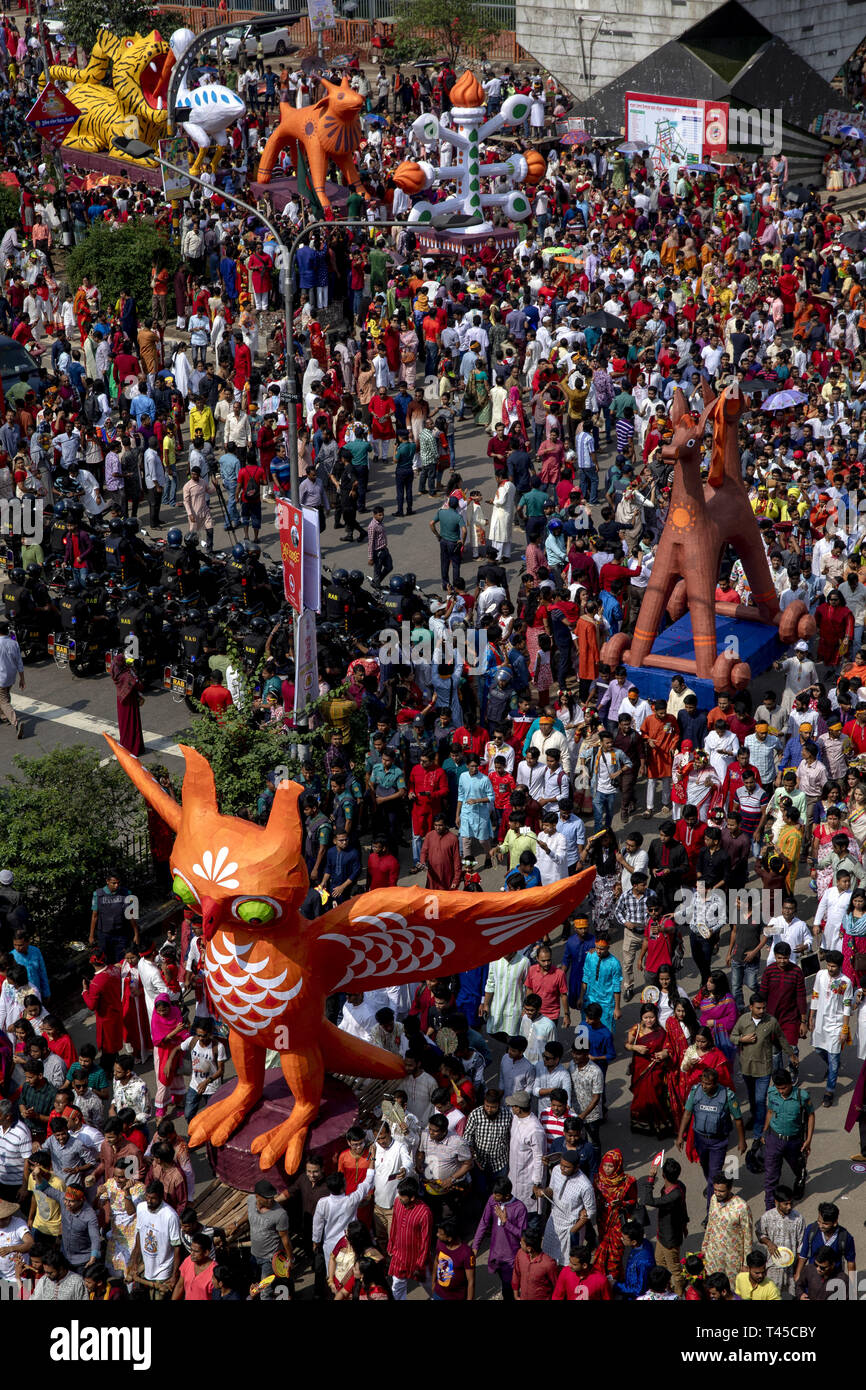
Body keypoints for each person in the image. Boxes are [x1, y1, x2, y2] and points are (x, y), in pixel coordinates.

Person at [472, 1176, 527, 1301]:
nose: (494, 1197)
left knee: (509, 1290)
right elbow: (484, 1223)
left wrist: (505, 1222)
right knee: (504, 1286)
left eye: (497, 1196)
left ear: (507, 1196)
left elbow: (522, 1235)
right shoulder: (492, 1200)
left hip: (511, 1259)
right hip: (496, 1255)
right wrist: (475, 1246)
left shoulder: (520, 1208)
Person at [703, 1176, 754, 1285]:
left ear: (730, 1188)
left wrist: (746, 1264)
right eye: (715, 1190)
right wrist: (704, 1246)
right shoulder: (713, 1199)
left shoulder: (742, 1207)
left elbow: (748, 1237)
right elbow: (710, 1224)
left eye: (721, 1191)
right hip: (712, 1256)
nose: (717, 1193)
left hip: (731, 1261)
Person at [110, 654, 145, 755]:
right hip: (130, 701)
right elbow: (139, 686)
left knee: (124, 725)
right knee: (133, 723)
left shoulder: (116, 673)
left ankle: (125, 746)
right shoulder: (127, 675)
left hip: (121, 701)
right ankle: (135, 748)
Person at [0, 619, 25, 739]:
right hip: (11, 676)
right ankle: (4, 716)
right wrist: (22, 679)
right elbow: (19, 662)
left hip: (1, 678)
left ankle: (16, 721)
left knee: (2, 700)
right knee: (4, 694)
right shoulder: (13, 643)